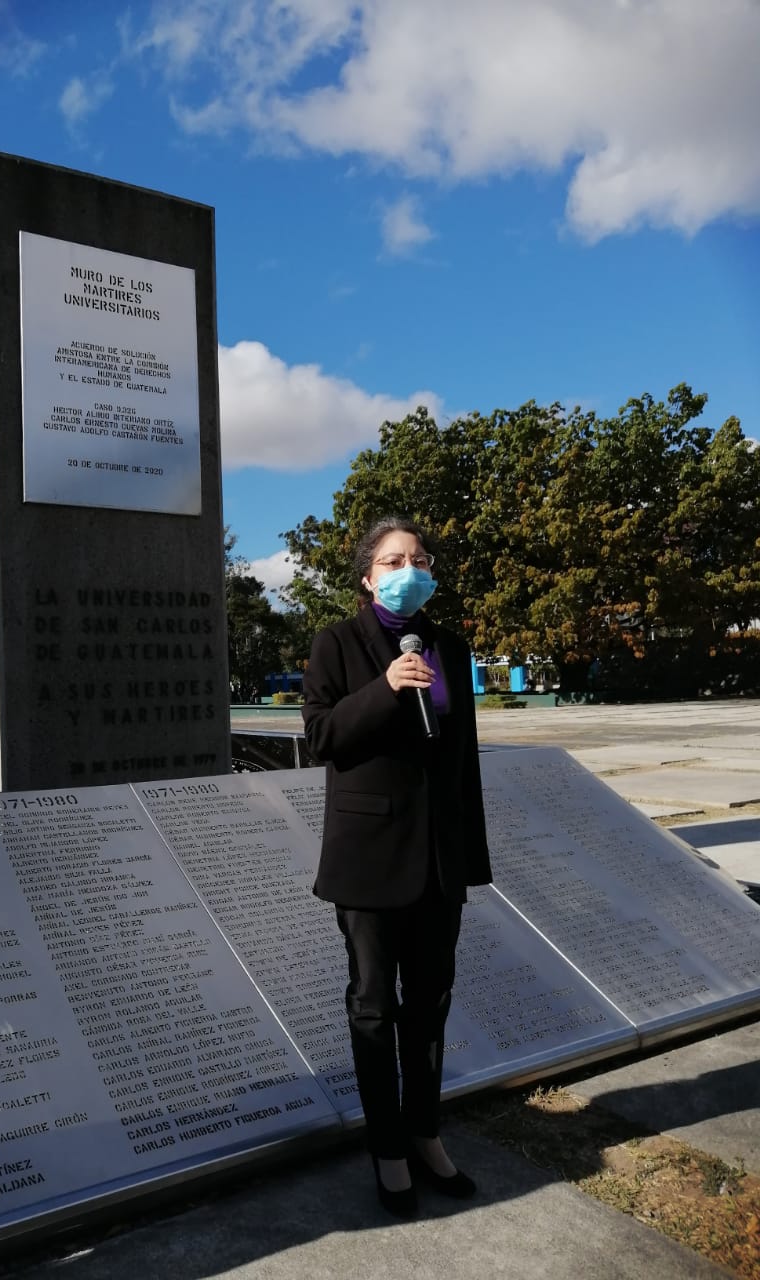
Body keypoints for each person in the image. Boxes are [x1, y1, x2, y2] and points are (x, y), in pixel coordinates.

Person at [302, 514, 492, 1218]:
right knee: (375, 1007)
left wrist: (469, 858)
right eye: (392, 559)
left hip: (439, 861)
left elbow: (462, 762)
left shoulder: (449, 645)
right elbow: (321, 735)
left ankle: (426, 1134)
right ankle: (387, 1149)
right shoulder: (338, 643)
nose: (408, 567)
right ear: (367, 576)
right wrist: (385, 687)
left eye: (417, 557)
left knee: (430, 1006)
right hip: (371, 861)